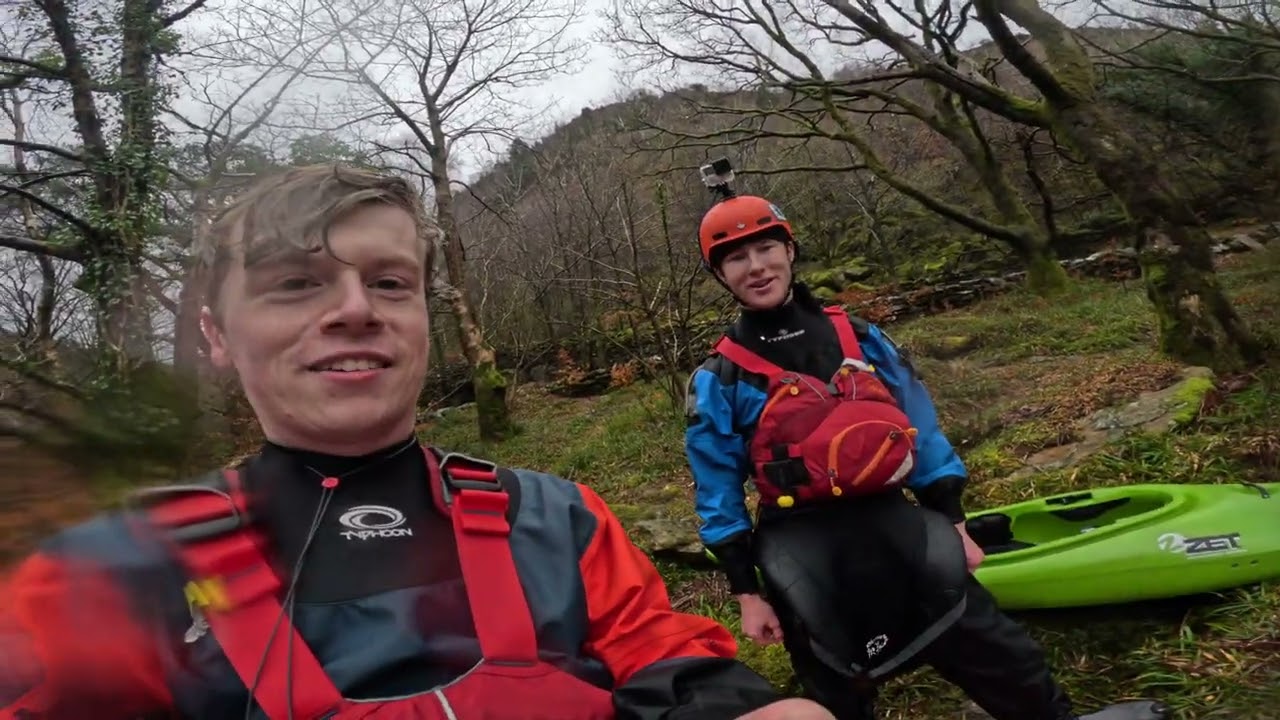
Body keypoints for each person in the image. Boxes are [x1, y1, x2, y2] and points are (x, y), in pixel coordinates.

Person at [0, 165, 838, 720]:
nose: (356, 308)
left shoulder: (557, 520)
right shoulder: (113, 570)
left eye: (390, 282)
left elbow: (665, 662)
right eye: (296, 284)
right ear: (217, 335)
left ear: (423, 318)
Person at [683, 162, 1171, 720]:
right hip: (800, 536)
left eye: (766, 249)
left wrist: (953, 519)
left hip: (893, 514)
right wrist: (747, 590)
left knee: (993, 644)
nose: (756, 267)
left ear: (790, 251)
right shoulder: (719, 377)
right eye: (735, 259)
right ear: (721, 276)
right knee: (833, 678)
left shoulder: (859, 335)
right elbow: (715, 486)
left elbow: (919, 421)